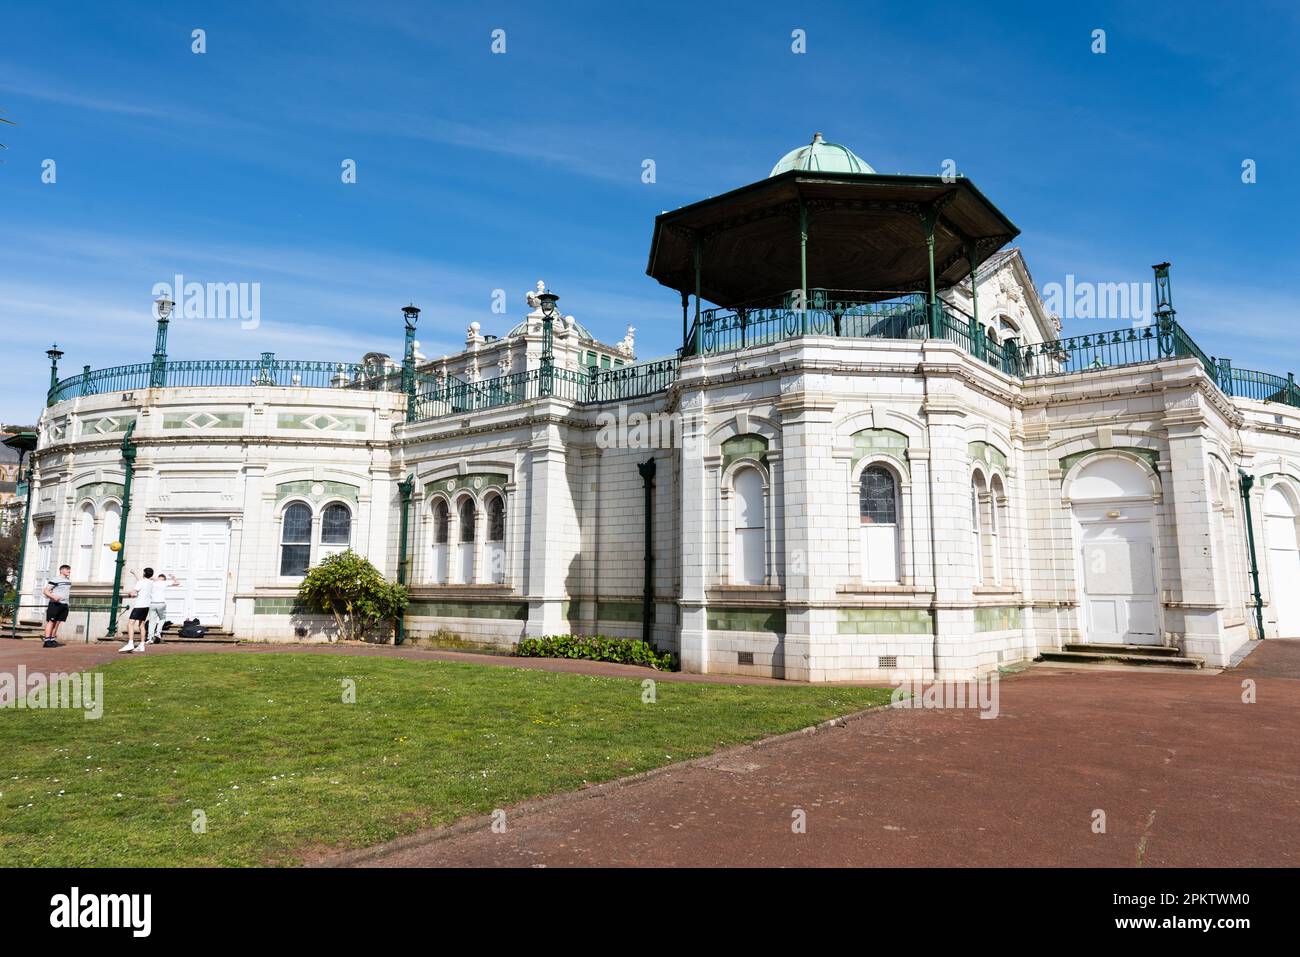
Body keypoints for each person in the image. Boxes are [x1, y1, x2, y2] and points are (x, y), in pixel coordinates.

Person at [119, 568, 155, 654]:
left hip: (139, 606)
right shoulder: (151, 583)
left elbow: (133, 592)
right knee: (141, 625)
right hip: (146, 606)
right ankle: (142, 645)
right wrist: (134, 573)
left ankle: (130, 643)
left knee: (130, 624)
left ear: (144, 573)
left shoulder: (141, 582)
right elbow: (141, 582)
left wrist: (130, 595)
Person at [41, 564, 72, 648]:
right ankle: (47, 641)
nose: (68, 571)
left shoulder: (68, 580)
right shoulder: (55, 579)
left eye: (69, 569)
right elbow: (46, 591)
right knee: (51, 621)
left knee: (57, 622)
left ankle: (52, 639)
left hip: (64, 604)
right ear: (61, 570)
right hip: (55, 604)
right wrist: (53, 597)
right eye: (66, 569)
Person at [147, 573, 182, 643]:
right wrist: (173, 577)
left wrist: (154, 579)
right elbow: (178, 583)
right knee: (162, 619)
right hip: (161, 603)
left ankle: (150, 638)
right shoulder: (164, 582)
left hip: (152, 603)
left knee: (152, 621)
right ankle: (157, 633)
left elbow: (147, 579)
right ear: (164, 579)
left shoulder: (153, 582)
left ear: (158, 577)